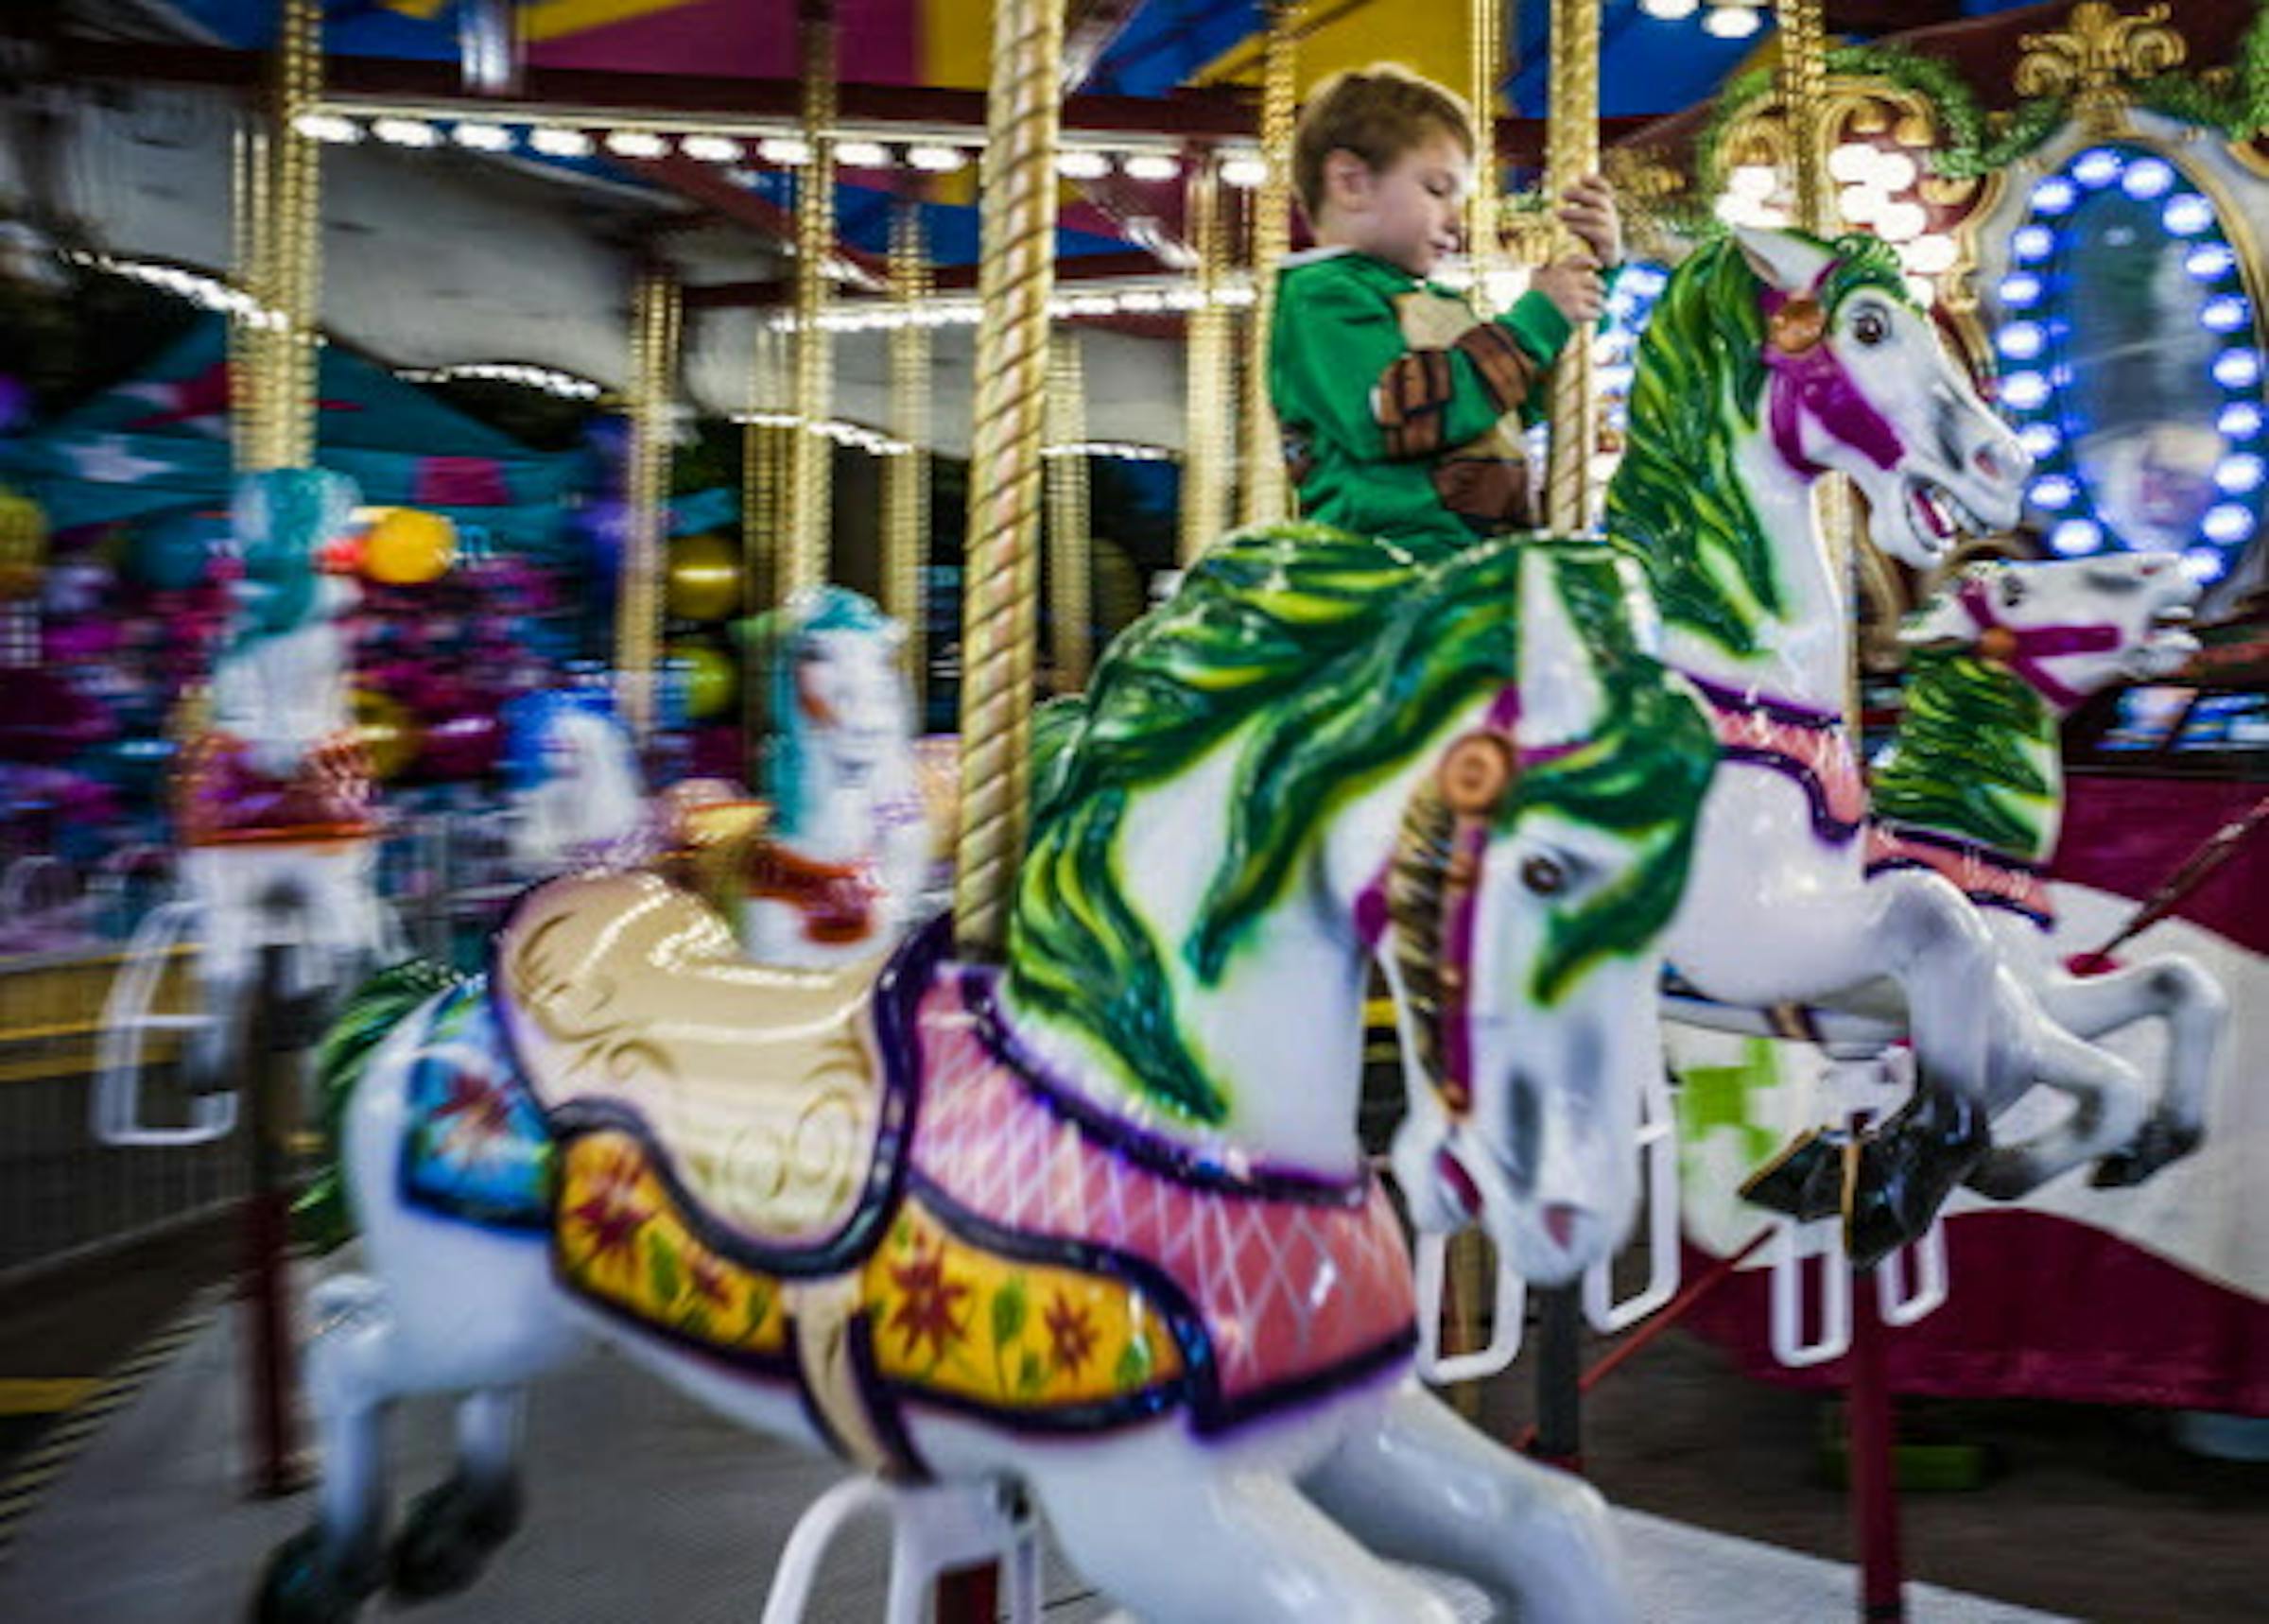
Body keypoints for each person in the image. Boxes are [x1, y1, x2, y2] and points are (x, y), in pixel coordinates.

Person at [1270, 63, 1624, 558]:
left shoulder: (1438, 303)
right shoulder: (1321, 296)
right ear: (1351, 183)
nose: (1457, 221)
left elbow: (1510, 402)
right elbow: (1397, 415)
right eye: (1437, 190)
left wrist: (1594, 277)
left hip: (1478, 551)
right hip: (1392, 556)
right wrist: (1536, 321)